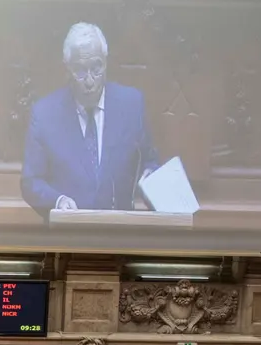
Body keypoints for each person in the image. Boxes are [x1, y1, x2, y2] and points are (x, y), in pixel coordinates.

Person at [21, 21, 159, 214]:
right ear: (67, 68)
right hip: (68, 235)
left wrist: (150, 176)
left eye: (96, 67)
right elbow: (31, 181)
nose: (89, 80)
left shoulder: (132, 104)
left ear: (106, 62)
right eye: (80, 70)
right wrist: (57, 201)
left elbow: (150, 161)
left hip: (120, 231)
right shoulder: (44, 114)